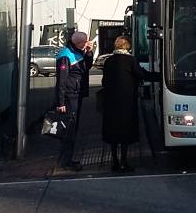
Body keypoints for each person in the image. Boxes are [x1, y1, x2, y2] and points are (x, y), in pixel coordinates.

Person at [100, 37, 159, 172]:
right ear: (127, 47)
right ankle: (123, 162)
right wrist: (159, 76)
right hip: (126, 101)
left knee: (113, 132)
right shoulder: (130, 60)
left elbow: (104, 82)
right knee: (125, 131)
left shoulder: (108, 61)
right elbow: (142, 74)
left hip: (110, 102)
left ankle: (114, 162)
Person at [55, 31, 91, 172]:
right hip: (70, 97)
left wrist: (88, 53)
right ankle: (65, 161)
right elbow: (61, 81)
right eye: (85, 42)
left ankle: (67, 159)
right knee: (69, 129)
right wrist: (61, 102)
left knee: (73, 128)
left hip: (76, 94)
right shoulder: (66, 56)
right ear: (79, 43)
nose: (87, 44)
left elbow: (85, 68)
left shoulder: (77, 52)